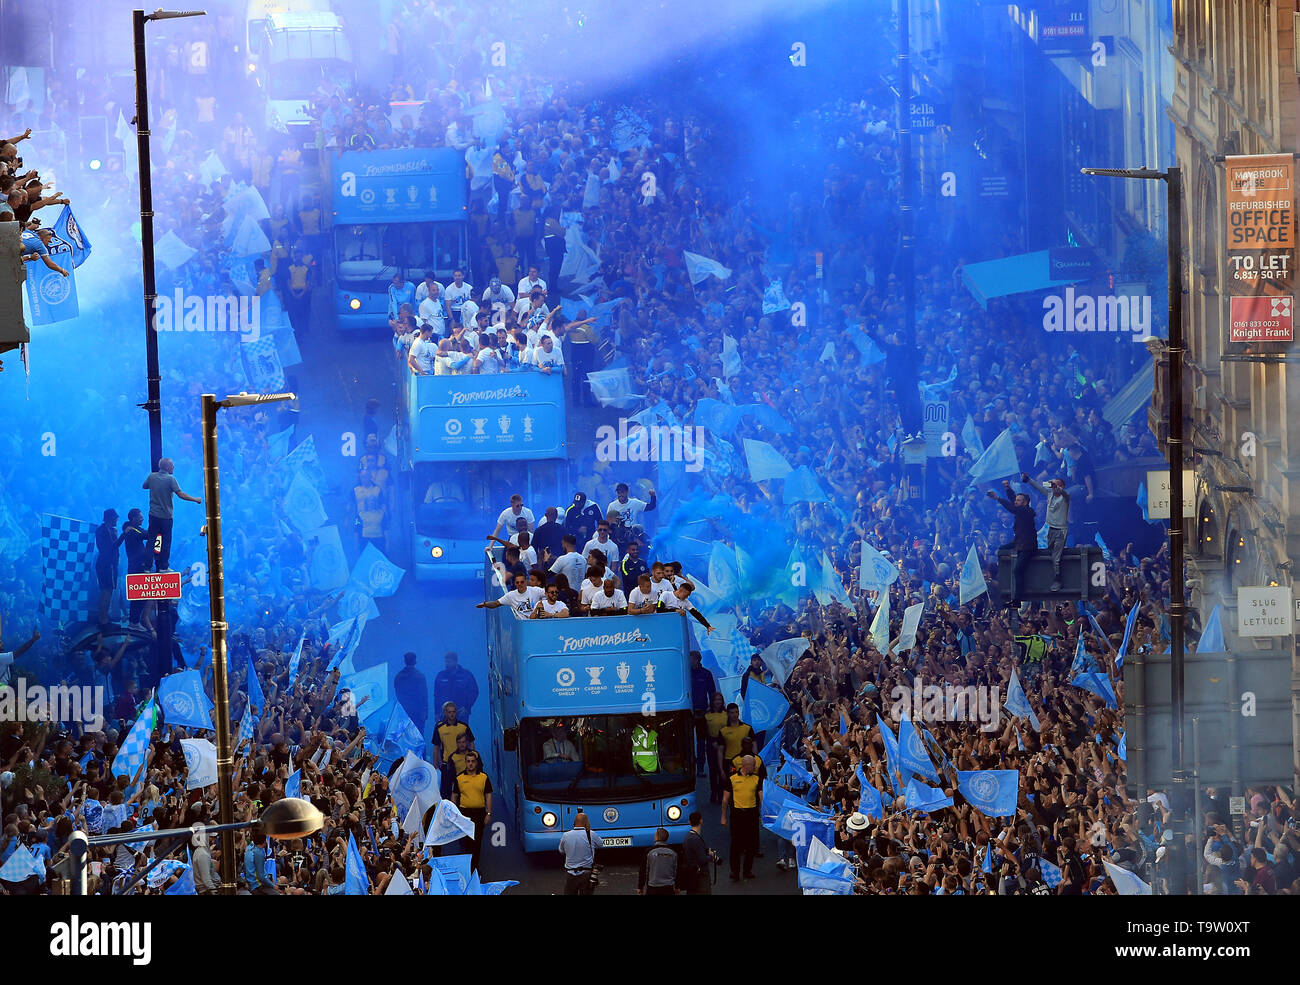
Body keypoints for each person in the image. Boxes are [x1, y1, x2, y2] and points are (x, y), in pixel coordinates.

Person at [142, 458, 201, 572]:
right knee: (165, 542)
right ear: (167, 467)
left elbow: (144, 486)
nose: (173, 467)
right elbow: (181, 494)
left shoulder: (152, 477)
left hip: (153, 515)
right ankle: (163, 567)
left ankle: (147, 567)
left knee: (151, 541)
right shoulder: (170, 479)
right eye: (172, 465)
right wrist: (195, 499)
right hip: (166, 517)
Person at [988, 480, 1038, 614]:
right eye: (1016, 500)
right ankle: (1004, 577)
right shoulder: (1020, 510)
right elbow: (1014, 503)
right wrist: (1008, 488)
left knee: (1018, 570)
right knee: (1002, 549)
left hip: (1027, 546)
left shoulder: (1027, 511)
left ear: (1025, 502)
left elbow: (1013, 507)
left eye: (1019, 500)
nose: (1016, 501)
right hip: (1019, 542)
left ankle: (1017, 598)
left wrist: (998, 498)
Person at [1024, 472, 1070, 591]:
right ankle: (1053, 574)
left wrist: (1056, 486)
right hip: (1051, 529)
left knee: (1056, 556)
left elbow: (1063, 492)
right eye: (1052, 484)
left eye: (1056, 484)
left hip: (1061, 530)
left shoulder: (1065, 497)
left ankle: (1058, 580)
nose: (1053, 486)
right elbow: (1040, 486)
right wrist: (1028, 479)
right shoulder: (1050, 495)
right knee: (1049, 552)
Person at [722, 755, 761, 881]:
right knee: (736, 845)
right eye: (753, 765)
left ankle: (747, 870)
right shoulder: (732, 778)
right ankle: (735, 871)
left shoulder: (756, 778)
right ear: (746, 766)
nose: (755, 767)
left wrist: (764, 813)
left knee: (751, 844)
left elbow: (761, 796)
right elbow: (725, 799)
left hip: (751, 814)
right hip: (737, 815)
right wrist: (723, 816)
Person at [452, 750, 492, 872]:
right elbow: (454, 796)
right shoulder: (459, 778)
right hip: (464, 814)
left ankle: (475, 866)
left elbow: (488, 795)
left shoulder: (484, 777)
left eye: (472, 761)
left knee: (477, 841)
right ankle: (467, 867)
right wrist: (454, 814)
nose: (470, 764)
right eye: (468, 761)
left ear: (476, 763)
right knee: (466, 842)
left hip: (479, 813)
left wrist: (489, 813)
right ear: (465, 763)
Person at [433, 702, 474, 799]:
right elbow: (436, 747)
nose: (451, 714)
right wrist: (436, 764)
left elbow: (471, 743)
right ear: (445, 713)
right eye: (449, 712)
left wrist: (472, 758)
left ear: (456, 712)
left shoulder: (463, 727)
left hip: (462, 765)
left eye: (453, 711)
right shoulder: (439, 728)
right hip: (447, 765)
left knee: (464, 792)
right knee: (446, 793)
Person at [94, 509, 124, 628]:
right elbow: (112, 547)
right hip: (107, 565)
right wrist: (123, 535)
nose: (117, 519)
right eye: (115, 517)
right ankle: (104, 621)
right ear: (110, 518)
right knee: (107, 592)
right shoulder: (105, 531)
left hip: (105, 564)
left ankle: (103, 618)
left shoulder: (104, 530)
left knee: (105, 592)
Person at [122, 509, 151, 630]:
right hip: (136, 567)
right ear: (133, 518)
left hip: (139, 567)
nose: (142, 518)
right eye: (140, 516)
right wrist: (156, 525)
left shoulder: (135, 529)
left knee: (141, 595)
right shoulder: (131, 531)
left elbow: (146, 533)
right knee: (139, 596)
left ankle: (134, 621)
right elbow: (146, 535)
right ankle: (134, 622)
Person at [558, 812, 602, 895]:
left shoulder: (566, 835)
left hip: (570, 874)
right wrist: (589, 830)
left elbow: (561, 851)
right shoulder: (591, 834)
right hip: (587, 874)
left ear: (574, 823)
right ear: (586, 823)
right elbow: (600, 844)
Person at [688, 651, 716, 776]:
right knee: (687, 740)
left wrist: (712, 707)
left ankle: (700, 768)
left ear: (697, 660)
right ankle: (688, 766)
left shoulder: (706, 674)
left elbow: (712, 692)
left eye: (691, 659)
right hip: (687, 712)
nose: (689, 661)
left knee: (701, 741)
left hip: (702, 711)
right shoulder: (684, 673)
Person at [433, 651, 479, 721]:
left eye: (449, 662)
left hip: (461, 713)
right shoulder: (440, 676)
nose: (446, 664)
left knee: (461, 732)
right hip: (444, 714)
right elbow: (437, 696)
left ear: (456, 662)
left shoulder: (466, 675)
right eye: (446, 662)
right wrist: (436, 713)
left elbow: (474, 692)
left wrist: (467, 707)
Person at [393, 652, 428, 737]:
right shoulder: (420, 676)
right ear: (415, 661)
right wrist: (425, 711)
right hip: (418, 712)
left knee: (405, 736)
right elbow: (424, 695)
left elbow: (397, 694)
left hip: (404, 711)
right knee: (418, 736)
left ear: (404, 661)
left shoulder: (399, 676)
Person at [637, 828, 678, 895]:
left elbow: (643, 870)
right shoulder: (673, 852)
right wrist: (677, 886)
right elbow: (676, 870)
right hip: (668, 887)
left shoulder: (649, 852)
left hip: (653, 887)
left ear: (656, 837)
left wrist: (640, 887)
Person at [680, 812, 713, 894]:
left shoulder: (687, 837)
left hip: (691, 875)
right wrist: (711, 856)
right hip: (700, 876)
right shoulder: (696, 839)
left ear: (689, 822)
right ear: (701, 821)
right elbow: (702, 859)